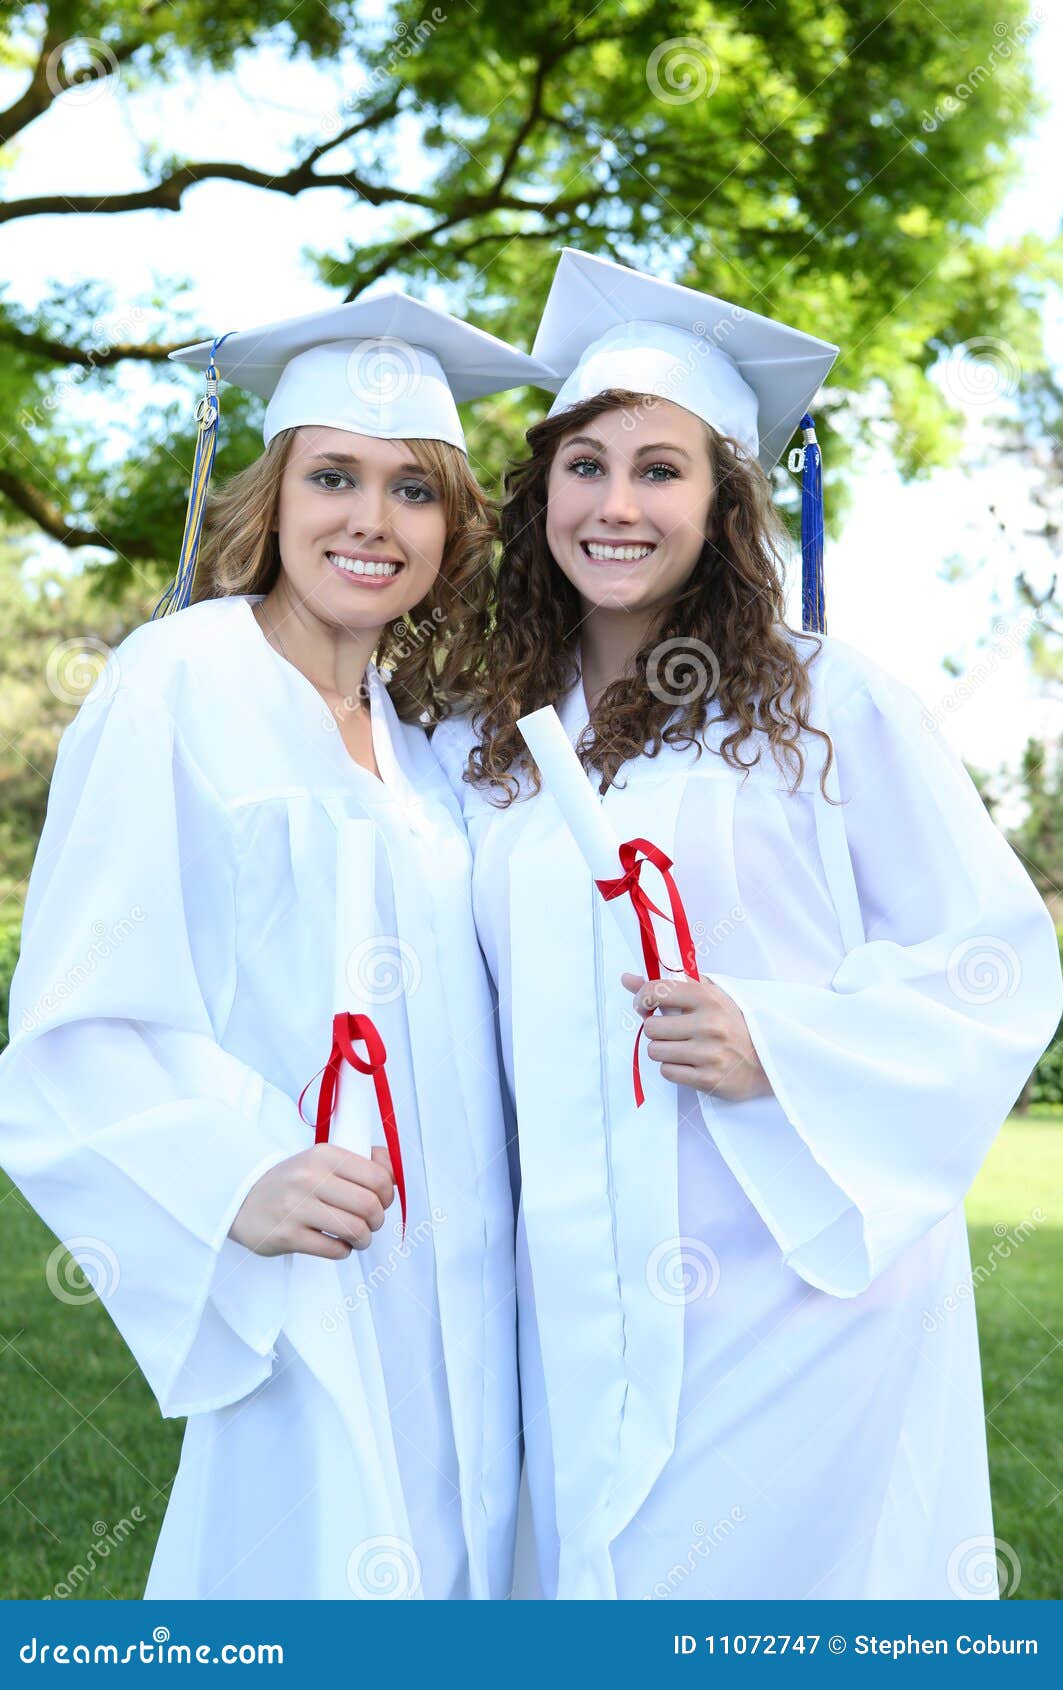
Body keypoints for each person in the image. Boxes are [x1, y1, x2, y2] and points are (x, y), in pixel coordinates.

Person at [431, 248, 1063, 1600]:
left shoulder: (831, 703)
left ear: (724, 503)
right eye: (587, 464)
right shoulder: (488, 743)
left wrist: (777, 1035)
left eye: (662, 468)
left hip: (794, 1278)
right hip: (577, 1280)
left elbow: (997, 958)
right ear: (544, 490)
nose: (617, 503)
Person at [0, 293, 550, 1599]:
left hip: (469, 1275)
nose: (371, 518)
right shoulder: (178, 681)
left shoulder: (423, 751)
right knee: (305, 1565)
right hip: (313, 1258)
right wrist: (228, 1174)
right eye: (334, 477)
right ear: (274, 497)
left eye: (413, 488)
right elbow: (79, 1008)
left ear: (451, 527)